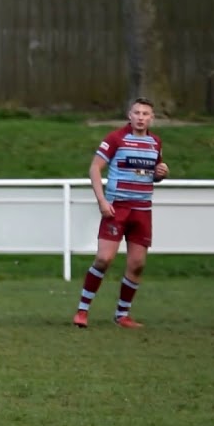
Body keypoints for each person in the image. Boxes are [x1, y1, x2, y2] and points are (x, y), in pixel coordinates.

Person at [73, 97, 168, 329]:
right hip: (117, 208)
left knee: (137, 264)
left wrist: (160, 174)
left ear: (152, 118)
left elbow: (150, 174)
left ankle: (122, 315)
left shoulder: (155, 143)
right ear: (129, 115)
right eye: (137, 113)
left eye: (146, 113)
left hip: (143, 210)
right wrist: (102, 200)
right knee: (104, 259)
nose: (141, 117)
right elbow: (95, 168)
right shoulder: (116, 138)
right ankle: (82, 311)